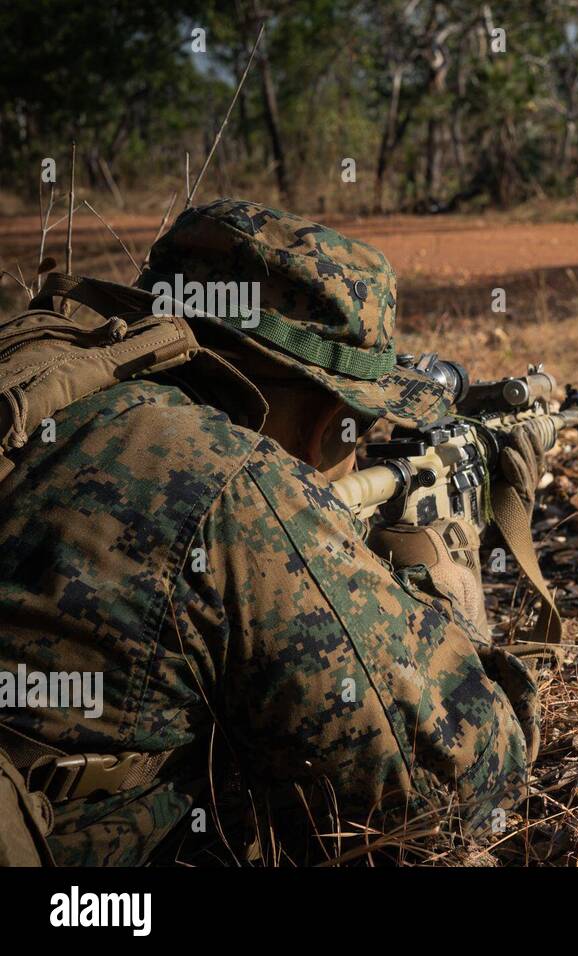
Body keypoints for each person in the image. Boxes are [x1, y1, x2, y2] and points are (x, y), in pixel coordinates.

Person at [0, 199, 541, 865]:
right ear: (330, 420)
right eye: (362, 433)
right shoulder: (233, 484)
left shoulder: (41, 364)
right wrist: (450, 592)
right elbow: (454, 794)